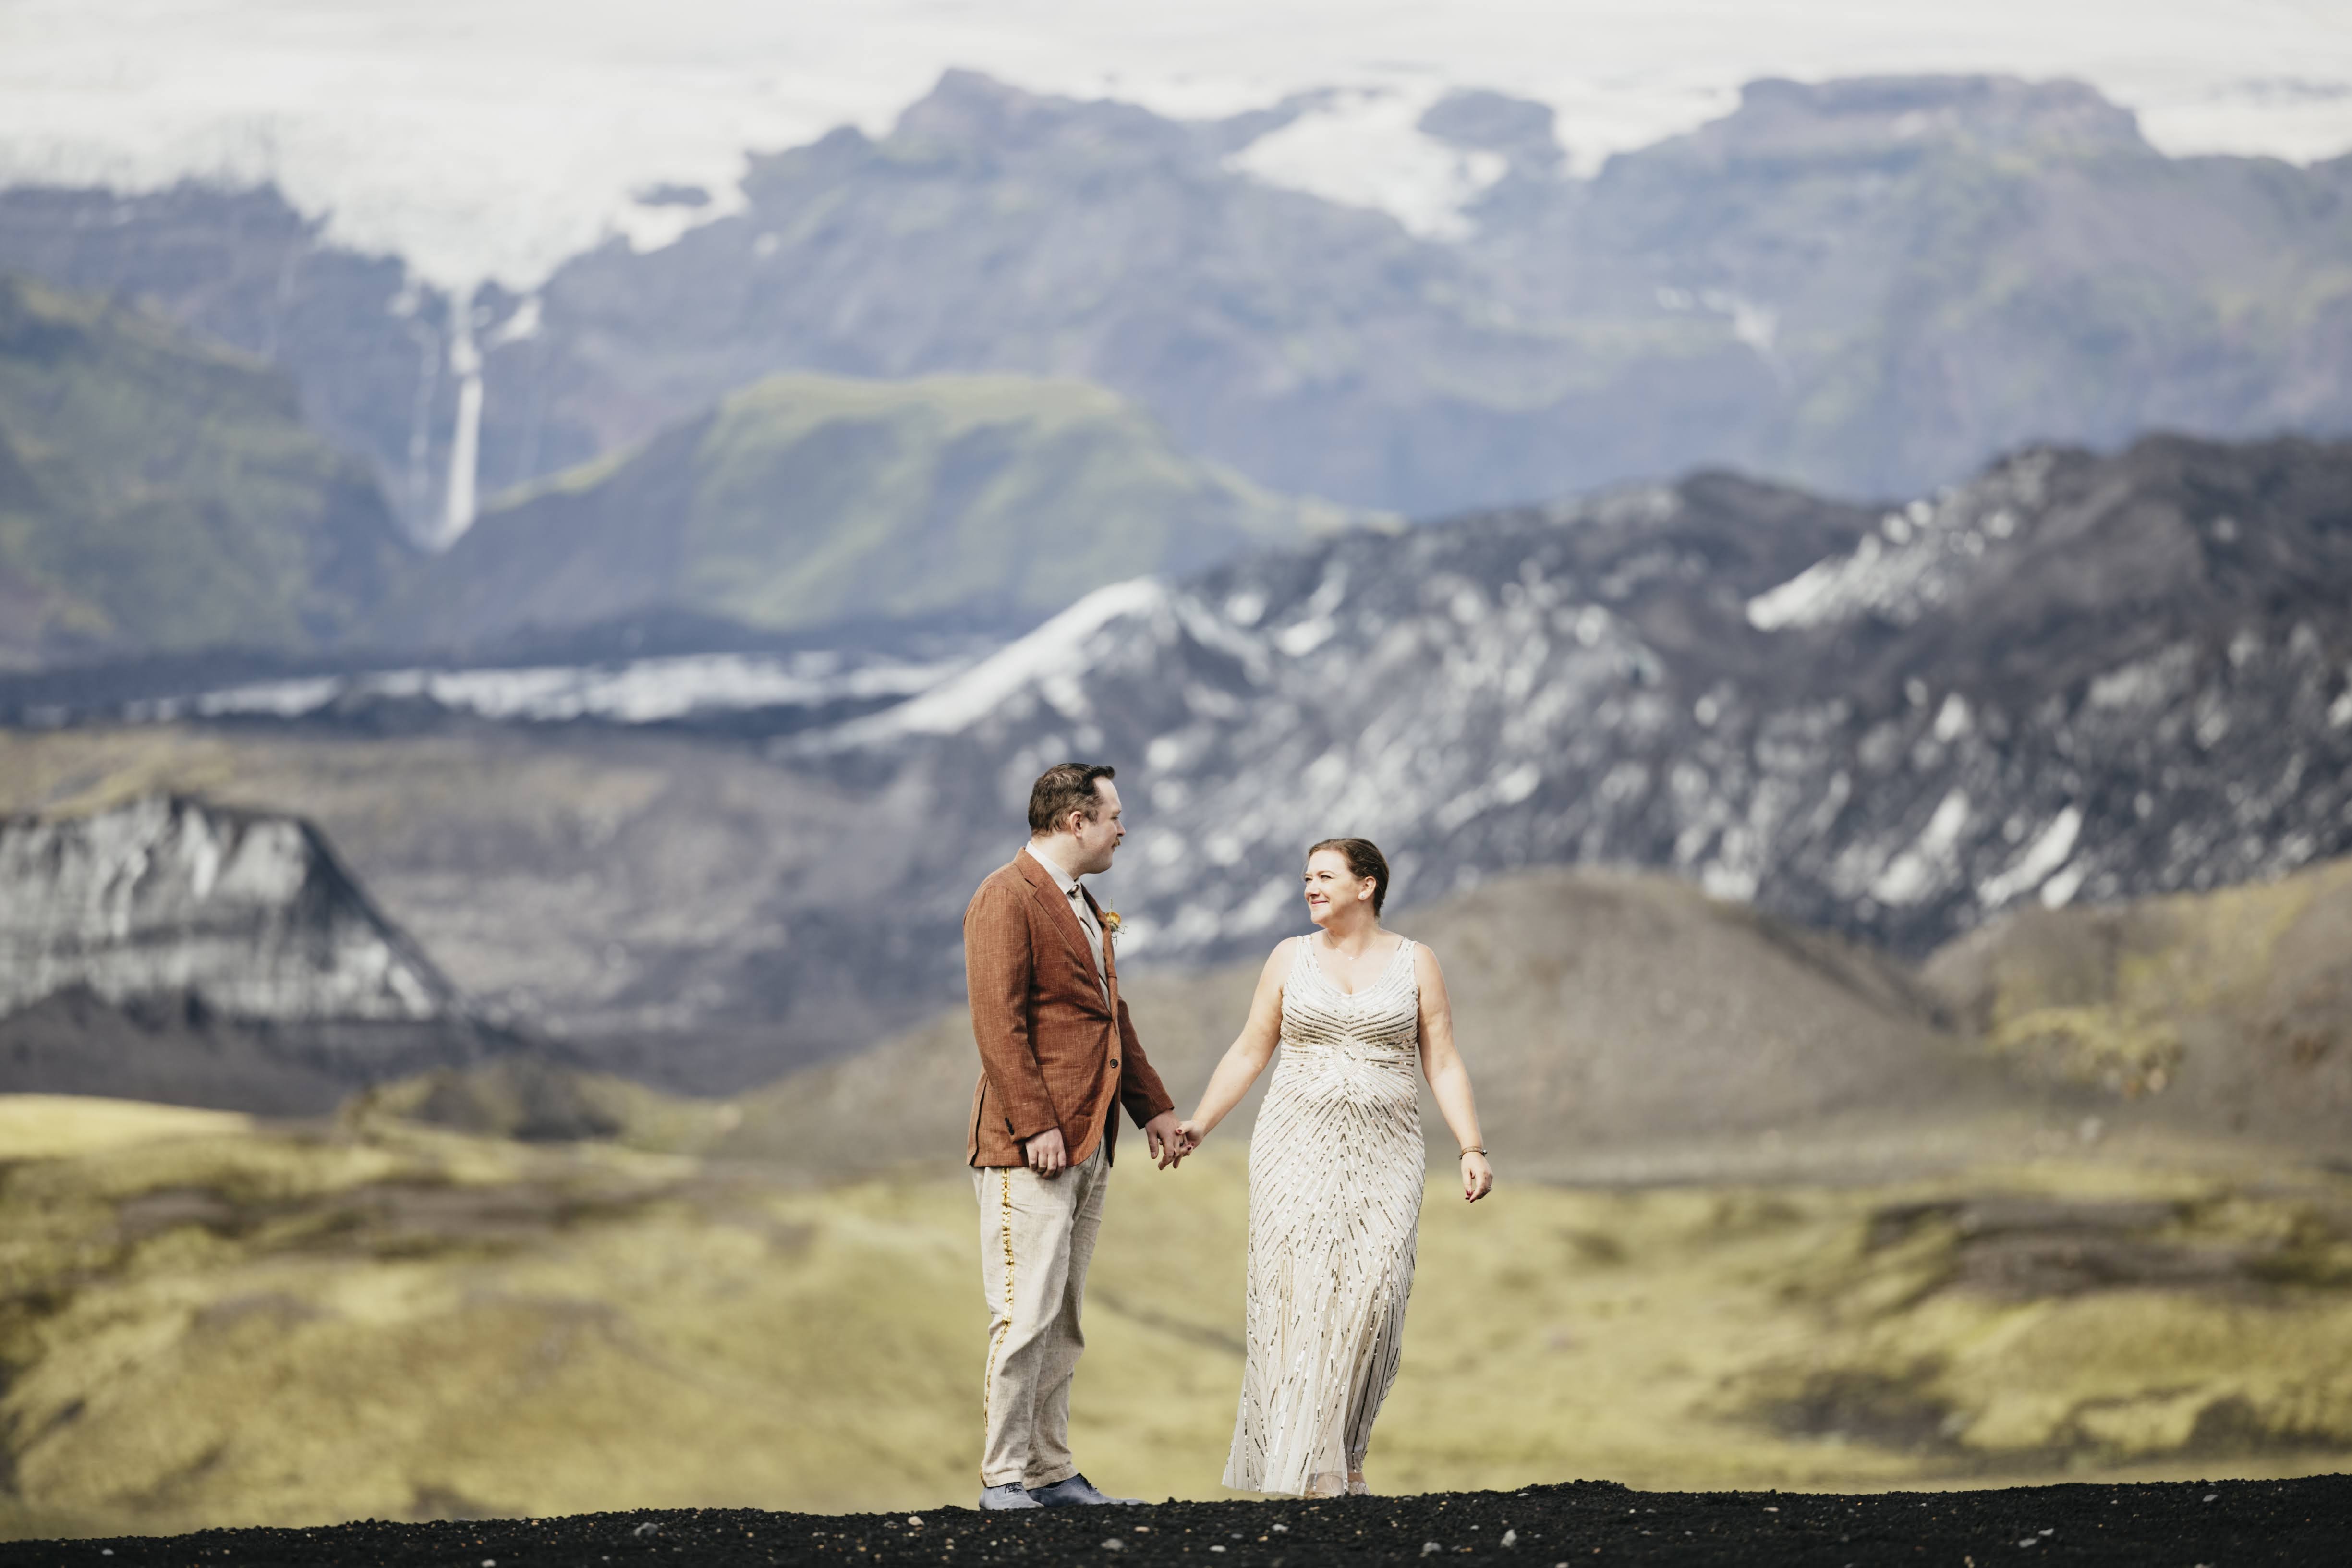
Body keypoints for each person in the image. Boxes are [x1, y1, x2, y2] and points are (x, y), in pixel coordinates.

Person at [1177, 837, 1492, 1498]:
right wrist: (1199, 1123)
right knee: (1302, 1296)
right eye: (1306, 879)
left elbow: (1441, 1059)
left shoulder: (1417, 962)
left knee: (1376, 1295)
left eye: (1324, 876)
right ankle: (1321, 1467)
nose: (1309, 887)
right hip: (1294, 1148)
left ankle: (1348, 1445)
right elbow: (1248, 1048)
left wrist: (1470, 1145)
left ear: (1367, 884)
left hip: (1389, 1152)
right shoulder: (1289, 957)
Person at [963, 762, 1190, 1510]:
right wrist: (1034, 1125)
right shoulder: (1006, 895)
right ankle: (1003, 1479)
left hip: (1088, 1139)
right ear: (1074, 822)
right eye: (1114, 815)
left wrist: (1150, 1106)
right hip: (1032, 1147)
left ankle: (1051, 1470)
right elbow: (998, 1023)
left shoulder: (1083, 904)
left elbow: (1107, 1020)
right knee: (1023, 1310)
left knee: (1062, 1315)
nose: (1123, 827)